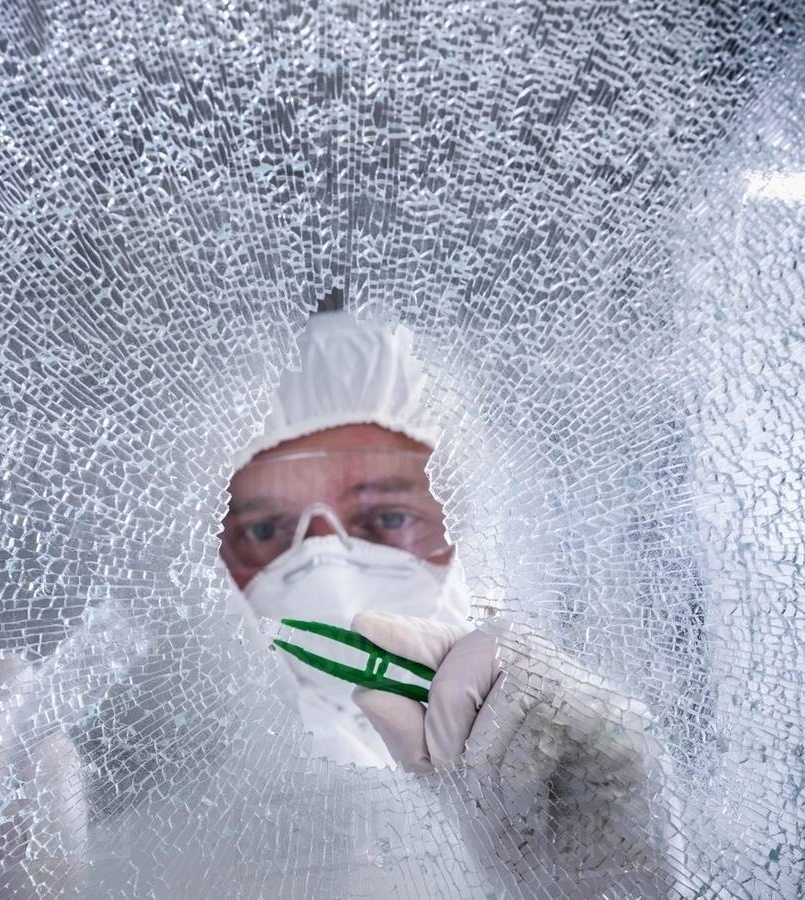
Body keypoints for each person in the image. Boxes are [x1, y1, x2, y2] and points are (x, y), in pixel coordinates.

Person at [221, 310, 684, 894]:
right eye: (264, 531)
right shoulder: (111, 870)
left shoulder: (572, 773)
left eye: (389, 517)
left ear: (477, 531)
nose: (331, 579)